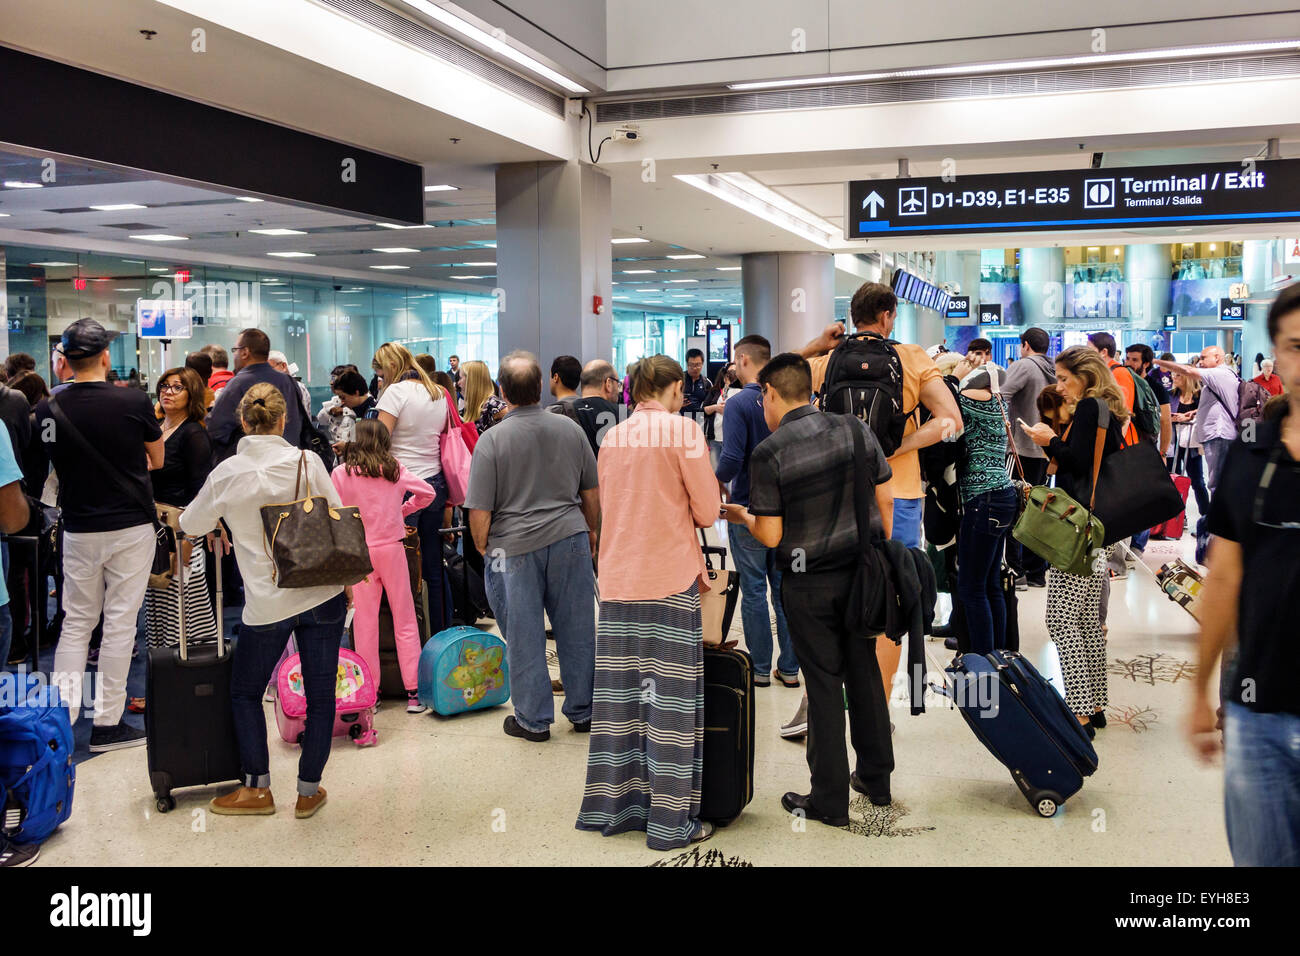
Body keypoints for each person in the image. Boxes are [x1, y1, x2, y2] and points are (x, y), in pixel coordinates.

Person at [725, 354, 895, 826]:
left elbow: (774, 537)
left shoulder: (770, 452)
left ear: (772, 395)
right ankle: (876, 780)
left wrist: (742, 517)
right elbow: (885, 495)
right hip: (862, 575)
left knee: (823, 687)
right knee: (863, 675)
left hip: (808, 584)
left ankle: (829, 802)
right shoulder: (855, 430)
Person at [575, 355, 720, 850]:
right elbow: (706, 509)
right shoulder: (683, 433)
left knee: (621, 702)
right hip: (670, 580)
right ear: (676, 387)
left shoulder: (614, 436)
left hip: (617, 579)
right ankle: (668, 823)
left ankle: (617, 810)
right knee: (672, 704)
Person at [181, 384, 347, 818]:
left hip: (267, 602)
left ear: (243, 422)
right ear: (282, 421)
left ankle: (257, 788)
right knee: (321, 694)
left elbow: (191, 523)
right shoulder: (308, 461)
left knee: (246, 691)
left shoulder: (227, 473)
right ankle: (309, 792)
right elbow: (337, 510)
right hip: (321, 588)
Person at [799, 282, 960, 714]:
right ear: (888, 316)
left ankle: (827, 700)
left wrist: (816, 344)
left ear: (852, 317)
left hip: (834, 499)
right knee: (889, 599)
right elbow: (951, 421)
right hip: (900, 496)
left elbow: (768, 379)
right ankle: (876, 708)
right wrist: (898, 448)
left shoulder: (828, 361)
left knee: (835, 594)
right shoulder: (910, 358)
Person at [1187, 283, 1300, 865]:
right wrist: (1200, 690)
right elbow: (1224, 579)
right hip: (1260, 715)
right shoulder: (1252, 454)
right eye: (1297, 345)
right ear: (1276, 357)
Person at [36, 318, 163, 751]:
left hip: (78, 527)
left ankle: (61, 722)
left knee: (76, 624)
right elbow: (157, 458)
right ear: (106, 357)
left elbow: (49, 459)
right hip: (130, 525)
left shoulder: (46, 408)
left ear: (65, 361)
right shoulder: (133, 401)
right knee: (120, 623)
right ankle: (109, 723)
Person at [464, 351, 599, 742]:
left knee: (524, 634)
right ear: (540, 386)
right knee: (577, 629)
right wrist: (590, 533)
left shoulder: (491, 440)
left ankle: (533, 720)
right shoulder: (570, 430)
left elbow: (480, 511)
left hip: (513, 548)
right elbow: (591, 491)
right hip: (570, 538)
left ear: (502, 391)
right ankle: (584, 710)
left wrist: (486, 548)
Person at [1020, 346, 1129, 735]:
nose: (1060, 387)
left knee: (1061, 620)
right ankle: (1095, 701)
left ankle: (1080, 710)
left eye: (1065, 379)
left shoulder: (1087, 409)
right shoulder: (1106, 410)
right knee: (1085, 620)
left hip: (1078, 531)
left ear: (1087, 375)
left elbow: (1076, 461)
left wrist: (1049, 439)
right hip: (1101, 529)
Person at [331, 419, 434, 715]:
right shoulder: (394, 469)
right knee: (405, 618)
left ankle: (370, 693)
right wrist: (402, 510)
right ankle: (413, 692)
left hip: (360, 552)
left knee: (365, 624)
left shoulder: (341, 473)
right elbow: (428, 493)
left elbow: (333, 509)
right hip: (392, 548)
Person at [715, 335, 797, 688]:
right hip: (790, 510)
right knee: (785, 590)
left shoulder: (739, 404)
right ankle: (791, 669)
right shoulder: (792, 399)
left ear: (744, 359)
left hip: (749, 507)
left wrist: (711, 482)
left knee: (752, 589)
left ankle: (760, 669)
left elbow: (732, 458)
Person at [372, 342, 452, 631]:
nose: (378, 377)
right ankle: (440, 631)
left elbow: (378, 442)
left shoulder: (394, 393)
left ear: (390, 367)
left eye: (380, 371)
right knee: (433, 561)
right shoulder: (437, 392)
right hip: (435, 484)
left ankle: (408, 635)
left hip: (403, 486)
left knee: (402, 566)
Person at [143, 367, 217, 650]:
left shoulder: (193, 434)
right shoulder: (159, 428)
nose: (167, 392)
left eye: (177, 387)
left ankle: (185, 684)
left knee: (184, 612)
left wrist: (190, 538)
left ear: (192, 394)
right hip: (157, 530)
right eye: (164, 386)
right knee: (158, 608)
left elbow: (201, 492)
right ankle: (162, 684)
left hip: (182, 531)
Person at [953, 363, 1017, 653]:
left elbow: (949, 403)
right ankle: (999, 660)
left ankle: (983, 666)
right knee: (991, 584)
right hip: (1003, 496)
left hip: (982, 500)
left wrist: (952, 377)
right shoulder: (1000, 403)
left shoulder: (965, 402)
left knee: (971, 588)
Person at [999, 327, 1055, 588]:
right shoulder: (1053, 369)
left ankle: (1016, 570)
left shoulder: (1024, 365)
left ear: (1025, 345)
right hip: (1046, 450)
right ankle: (1036, 571)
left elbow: (1000, 397)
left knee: (1013, 511)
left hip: (1020, 449)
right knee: (1037, 510)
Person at [207, 329, 303, 464]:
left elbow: (216, 429)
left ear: (245, 352)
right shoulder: (289, 382)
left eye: (235, 350)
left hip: (250, 466)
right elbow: (299, 422)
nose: (234, 355)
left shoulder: (238, 384)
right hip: (289, 463)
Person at [1154, 346, 1239, 496]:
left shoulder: (1219, 373)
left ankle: (1218, 518)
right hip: (1218, 435)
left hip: (1219, 435)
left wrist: (1155, 361)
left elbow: (1187, 371)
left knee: (1216, 484)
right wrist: (1195, 413)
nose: (1199, 362)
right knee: (1216, 482)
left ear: (1217, 358)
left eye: (1203, 358)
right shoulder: (1224, 375)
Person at [1124, 343, 1173, 556]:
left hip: (1146, 448)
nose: (1129, 363)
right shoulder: (1123, 382)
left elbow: (1165, 421)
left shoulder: (1155, 386)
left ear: (1146, 363)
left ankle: (1137, 545)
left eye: (1134, 359)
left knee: (1143, 498)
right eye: (1127, 358)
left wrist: (1163, 452)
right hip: (1124, 449)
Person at [1169, 371, 1211, 518]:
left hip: (1191, 444)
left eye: (1178, 375)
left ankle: (1207, 517)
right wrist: (1173, 418)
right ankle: (1177, 518)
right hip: (1173, 444)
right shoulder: (1171, 395)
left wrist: (1189, 415)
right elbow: (1164, 413)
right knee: (1173, 480)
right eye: (1173, 375)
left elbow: (1206, 412)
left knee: (1197, 481)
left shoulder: (1200, 396)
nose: (1173, 378)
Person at [570, 359, 622, 455]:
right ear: (608, 383)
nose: (618, 390)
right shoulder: (623, 415)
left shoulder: (563, 412)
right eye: (617, 384)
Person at [316, 369, 374, 447]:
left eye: (343, 397)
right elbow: (353, 440)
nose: (342, 402)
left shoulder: (372, 412)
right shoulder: (356, 410)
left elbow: (370, 446)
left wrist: (348, 448)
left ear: (356, 393)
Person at [703, 363, 737, 468]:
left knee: (729, 471)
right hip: (714, 437)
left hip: (731, 438)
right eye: (730, 372)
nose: (732, 375)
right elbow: (704, 410)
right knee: (714, 469)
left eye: (735, 372)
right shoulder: (715, 390)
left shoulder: (741, 391)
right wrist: (716, 407)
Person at [462, 360, 507, 435]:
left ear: (471, 381)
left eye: (461, 378)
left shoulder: (496, 406)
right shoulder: (473, 405)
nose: (458, 383)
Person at [680, 348, 709, 421]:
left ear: (702, 364)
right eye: (691, 365)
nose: (695, 368)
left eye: (698, 365)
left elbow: (710, 403)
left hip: (699, 419)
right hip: (680, 417)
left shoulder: (706, 383)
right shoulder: (679, 380)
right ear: (687, 364)